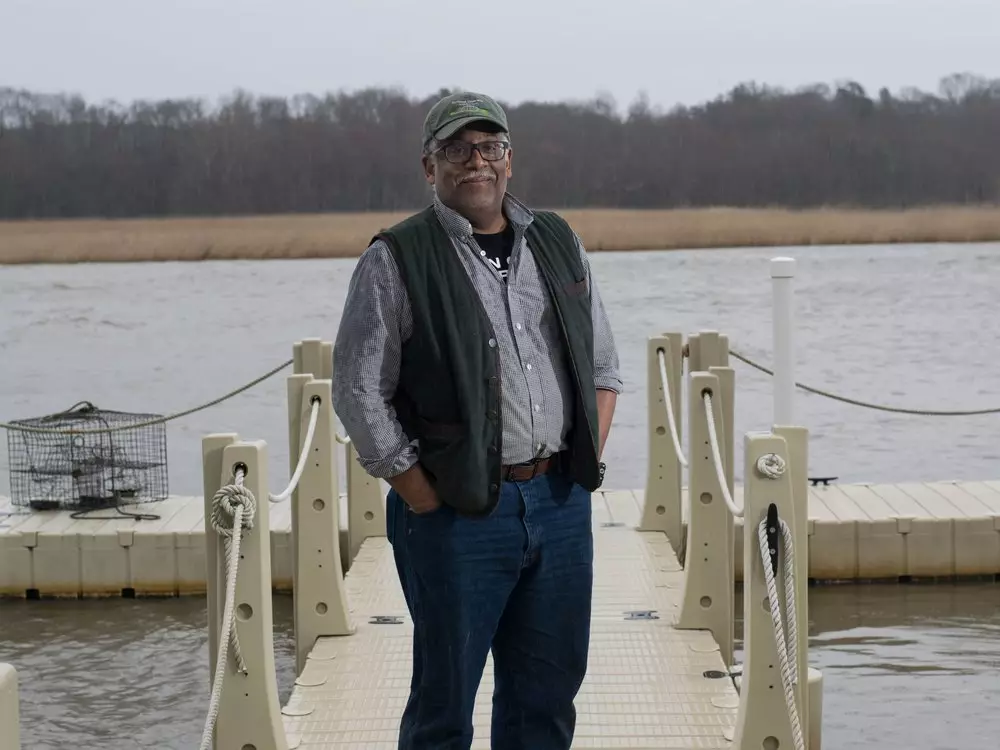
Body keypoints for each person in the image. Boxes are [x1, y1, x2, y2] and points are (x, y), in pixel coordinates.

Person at [331, 90, 623, 750]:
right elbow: (356, 390)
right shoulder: (396, 257)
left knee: (545, 699)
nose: (476, 162)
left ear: (509, 160)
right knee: (444, 707)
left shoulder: (556, 240)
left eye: (488, 147)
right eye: (456, 150)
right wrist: (419, 494)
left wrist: (580, 467)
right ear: (429, 167)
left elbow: (603, 367)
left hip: (559, 504)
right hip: (455, 516)